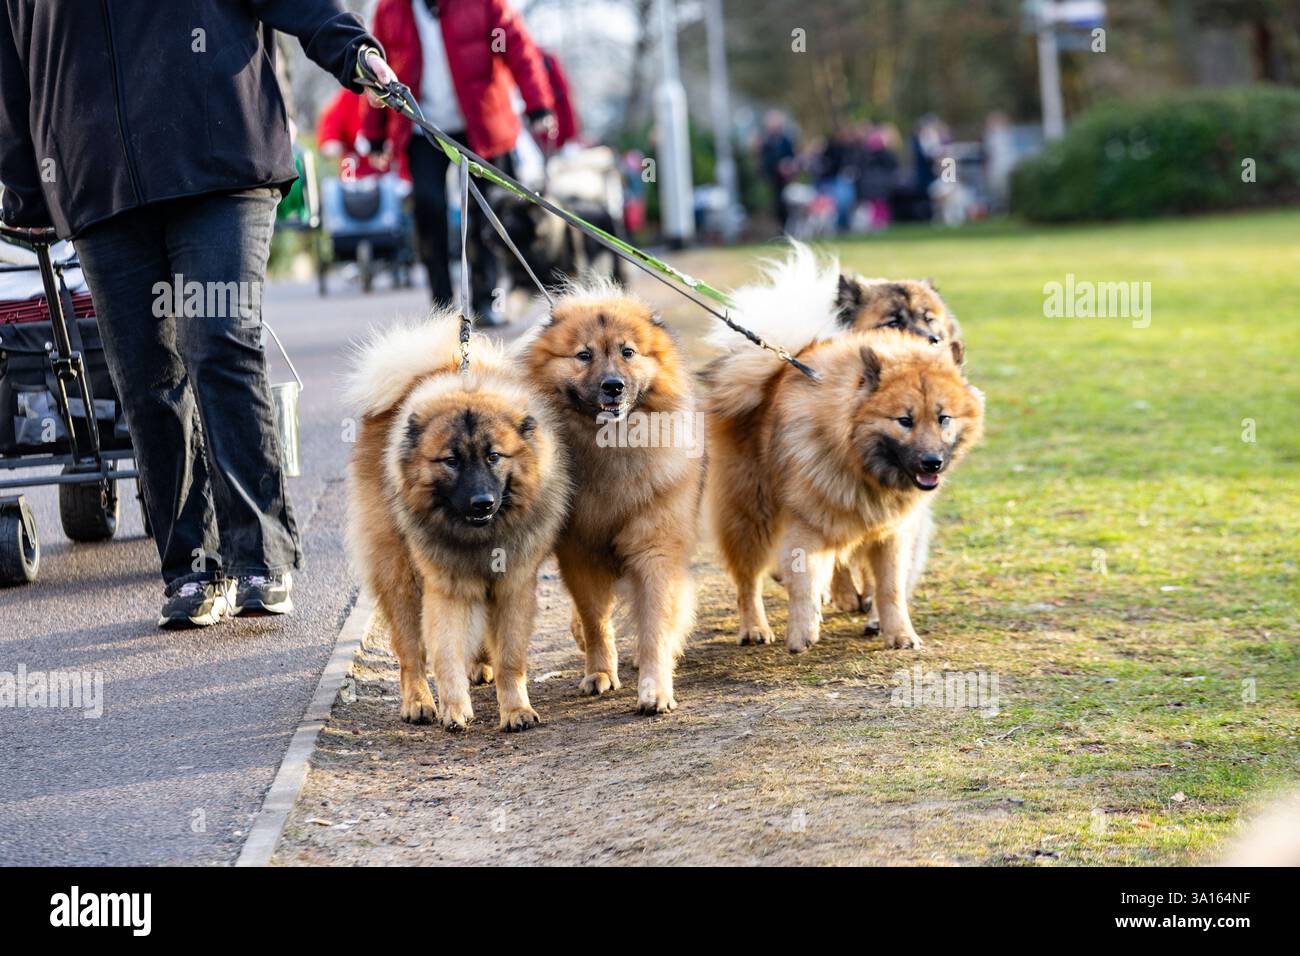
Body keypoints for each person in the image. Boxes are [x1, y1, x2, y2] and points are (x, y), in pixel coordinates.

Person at [0, 1, 397, 629]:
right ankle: (190, 565)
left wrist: (352, 50)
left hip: (219, 155)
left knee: (219, 342)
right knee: (145, 377)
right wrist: (23, 182)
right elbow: (12, 53)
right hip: (98, 178)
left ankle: (261, 554)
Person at [363, 0, 555, 322]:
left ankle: (488, 299)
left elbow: (518, 46)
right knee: (429, 207)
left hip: (482, 123)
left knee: (487, 216)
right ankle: (442, 307)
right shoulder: (389, 9)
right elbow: (376, 71)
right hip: (423, 127)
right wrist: (375, 134)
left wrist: (538, 105)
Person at [758, 110, 796, 233]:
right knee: (774, 205)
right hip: (770, 178)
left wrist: (787, 166)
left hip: (784, 179)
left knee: (784, 204)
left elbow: (791, 157)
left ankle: (785, 230)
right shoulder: (765, 141)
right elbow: (763, 159)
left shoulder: (786, 140)